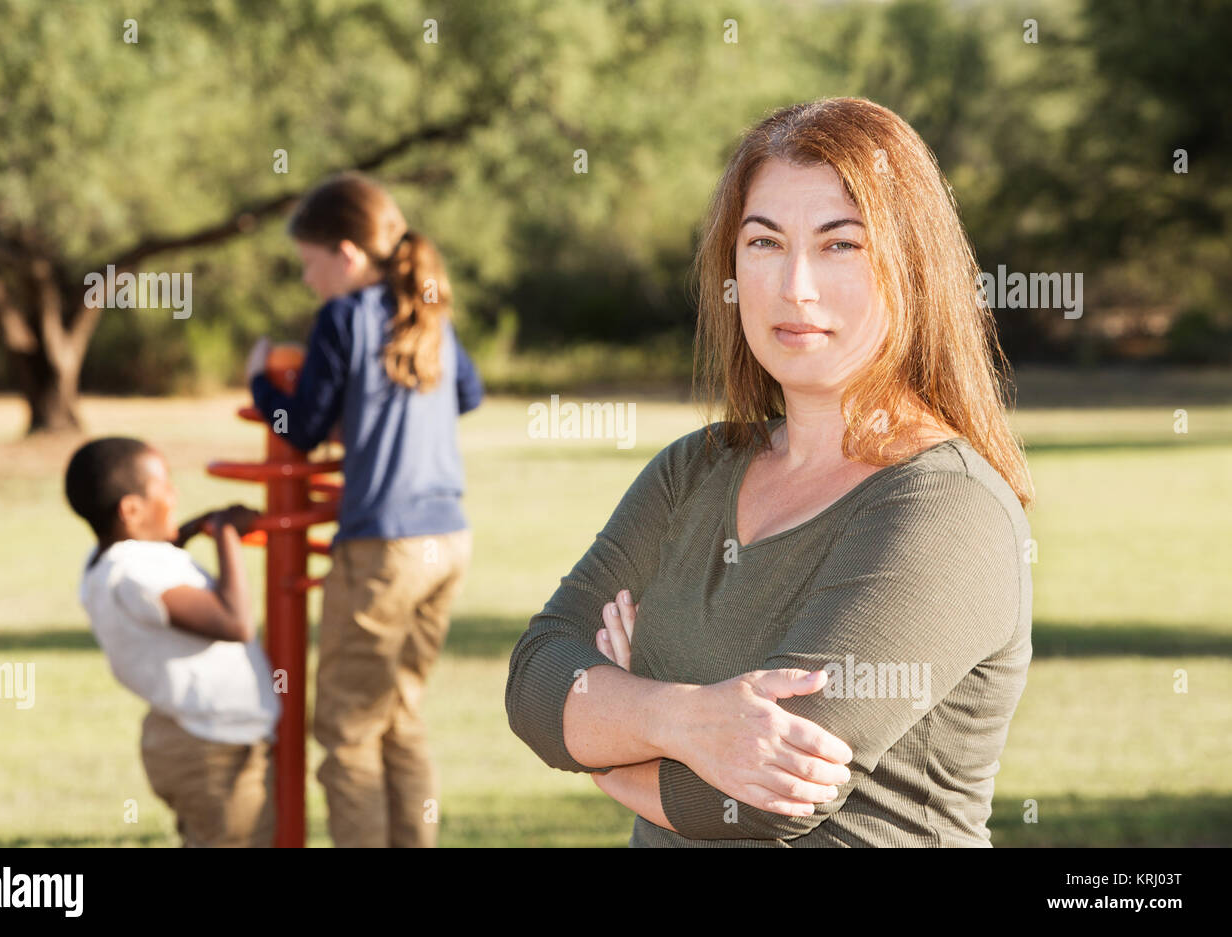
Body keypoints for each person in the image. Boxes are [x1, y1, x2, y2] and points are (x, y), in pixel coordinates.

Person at [505, 97, 1035, 847]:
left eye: (840, 245)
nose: (795, 286)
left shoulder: (944, 508)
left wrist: (604, 742)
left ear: (912, 264)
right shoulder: (695, 470)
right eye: (764, 242)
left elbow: (769, 798)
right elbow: (534, 678)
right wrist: (684, 719)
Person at [245, 172, 482, 847]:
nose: (307, 281)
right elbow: (467, 392)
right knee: (399, 717)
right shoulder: (429, 310)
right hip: (448, 537)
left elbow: (303, 424)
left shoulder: (343, 316)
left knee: (346, 730)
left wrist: (261, 379)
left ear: (347, 254)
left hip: (382, 543)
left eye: (308, 265)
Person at [65, 436, 279, 847]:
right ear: (131, 510)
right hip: (214, 749)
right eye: (164, 487)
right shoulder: (136, 573)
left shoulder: (109, 560)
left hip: (191, 737)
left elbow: (157, 555)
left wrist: (194, 528)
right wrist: (226, 536)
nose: (174, 495)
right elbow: (235, 622)